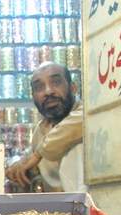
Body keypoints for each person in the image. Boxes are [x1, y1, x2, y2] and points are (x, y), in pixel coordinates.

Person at [5, 62, 85, 193]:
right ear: (33, 97)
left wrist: (38, 154)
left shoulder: (87, 116)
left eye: (56, 82)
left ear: (73, 88)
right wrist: (17, 165)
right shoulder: (42, 129)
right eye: (39, 87)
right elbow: (29, 157)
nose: (48, 91)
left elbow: (70, 128)